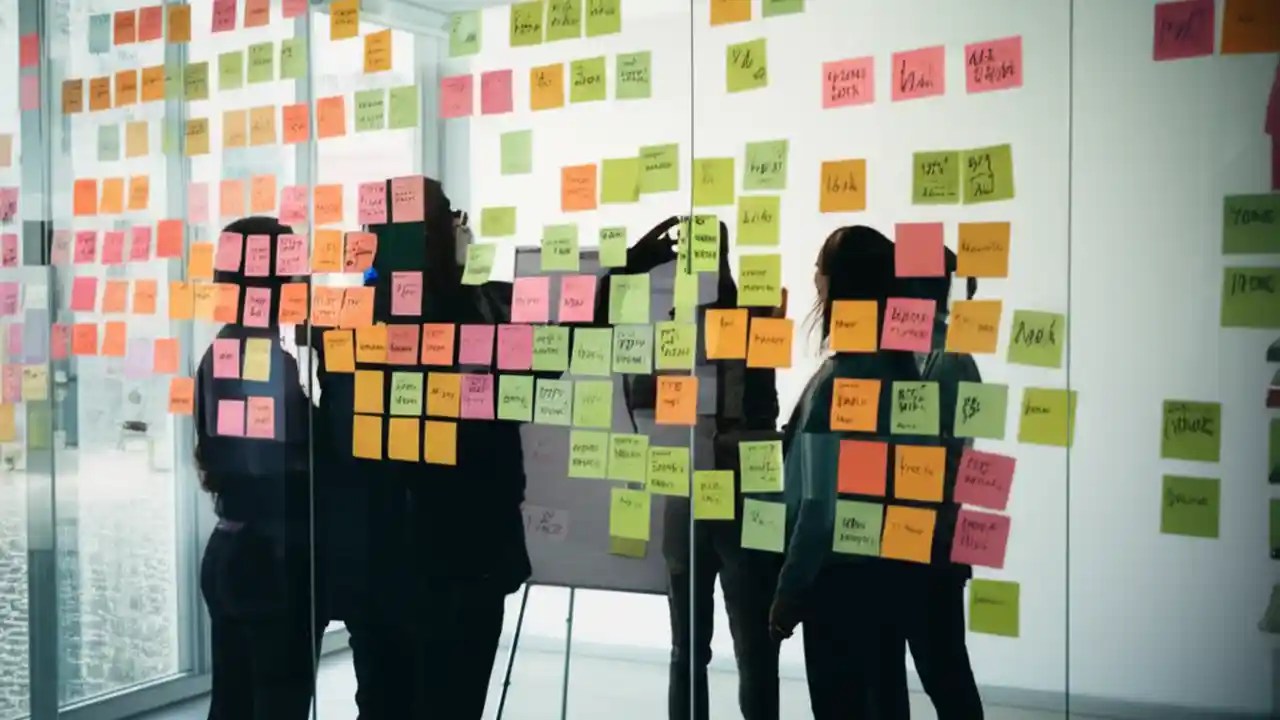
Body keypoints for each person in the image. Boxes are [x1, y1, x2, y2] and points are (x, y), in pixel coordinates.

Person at [309, 179, 528, 719]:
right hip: (433, 572)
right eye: (448, 219)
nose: (461, 228)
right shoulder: (479, 312)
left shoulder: (346, 319)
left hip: (417, 571)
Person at [596, 216, 784, 720]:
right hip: (718, 492)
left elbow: (640, 401)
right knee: (744, 650)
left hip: (708, 493)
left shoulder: (692, 323)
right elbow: (765, 411)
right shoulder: (740, 319)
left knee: (716, 650)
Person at [767, 225, 923, 718]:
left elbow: (819, 506)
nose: (814, 278)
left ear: (842, 284)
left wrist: (790, 591)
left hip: (838, 585)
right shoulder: (902, 372)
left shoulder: (841, 380)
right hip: (889, 572)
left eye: (821, 269)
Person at [194, 216, 322, 719]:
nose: (305, 280)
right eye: (295, 268)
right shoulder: (265, 358)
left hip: (233, 546)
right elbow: (276, 465)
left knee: (232, 705)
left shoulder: (221, 349)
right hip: (269, 557)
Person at [875, 247, 985, 719]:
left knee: (936, 672)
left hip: (921, 541)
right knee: (943, 672)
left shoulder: (931, 354)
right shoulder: (949, 353)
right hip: (931, 540)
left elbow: (945, 455)